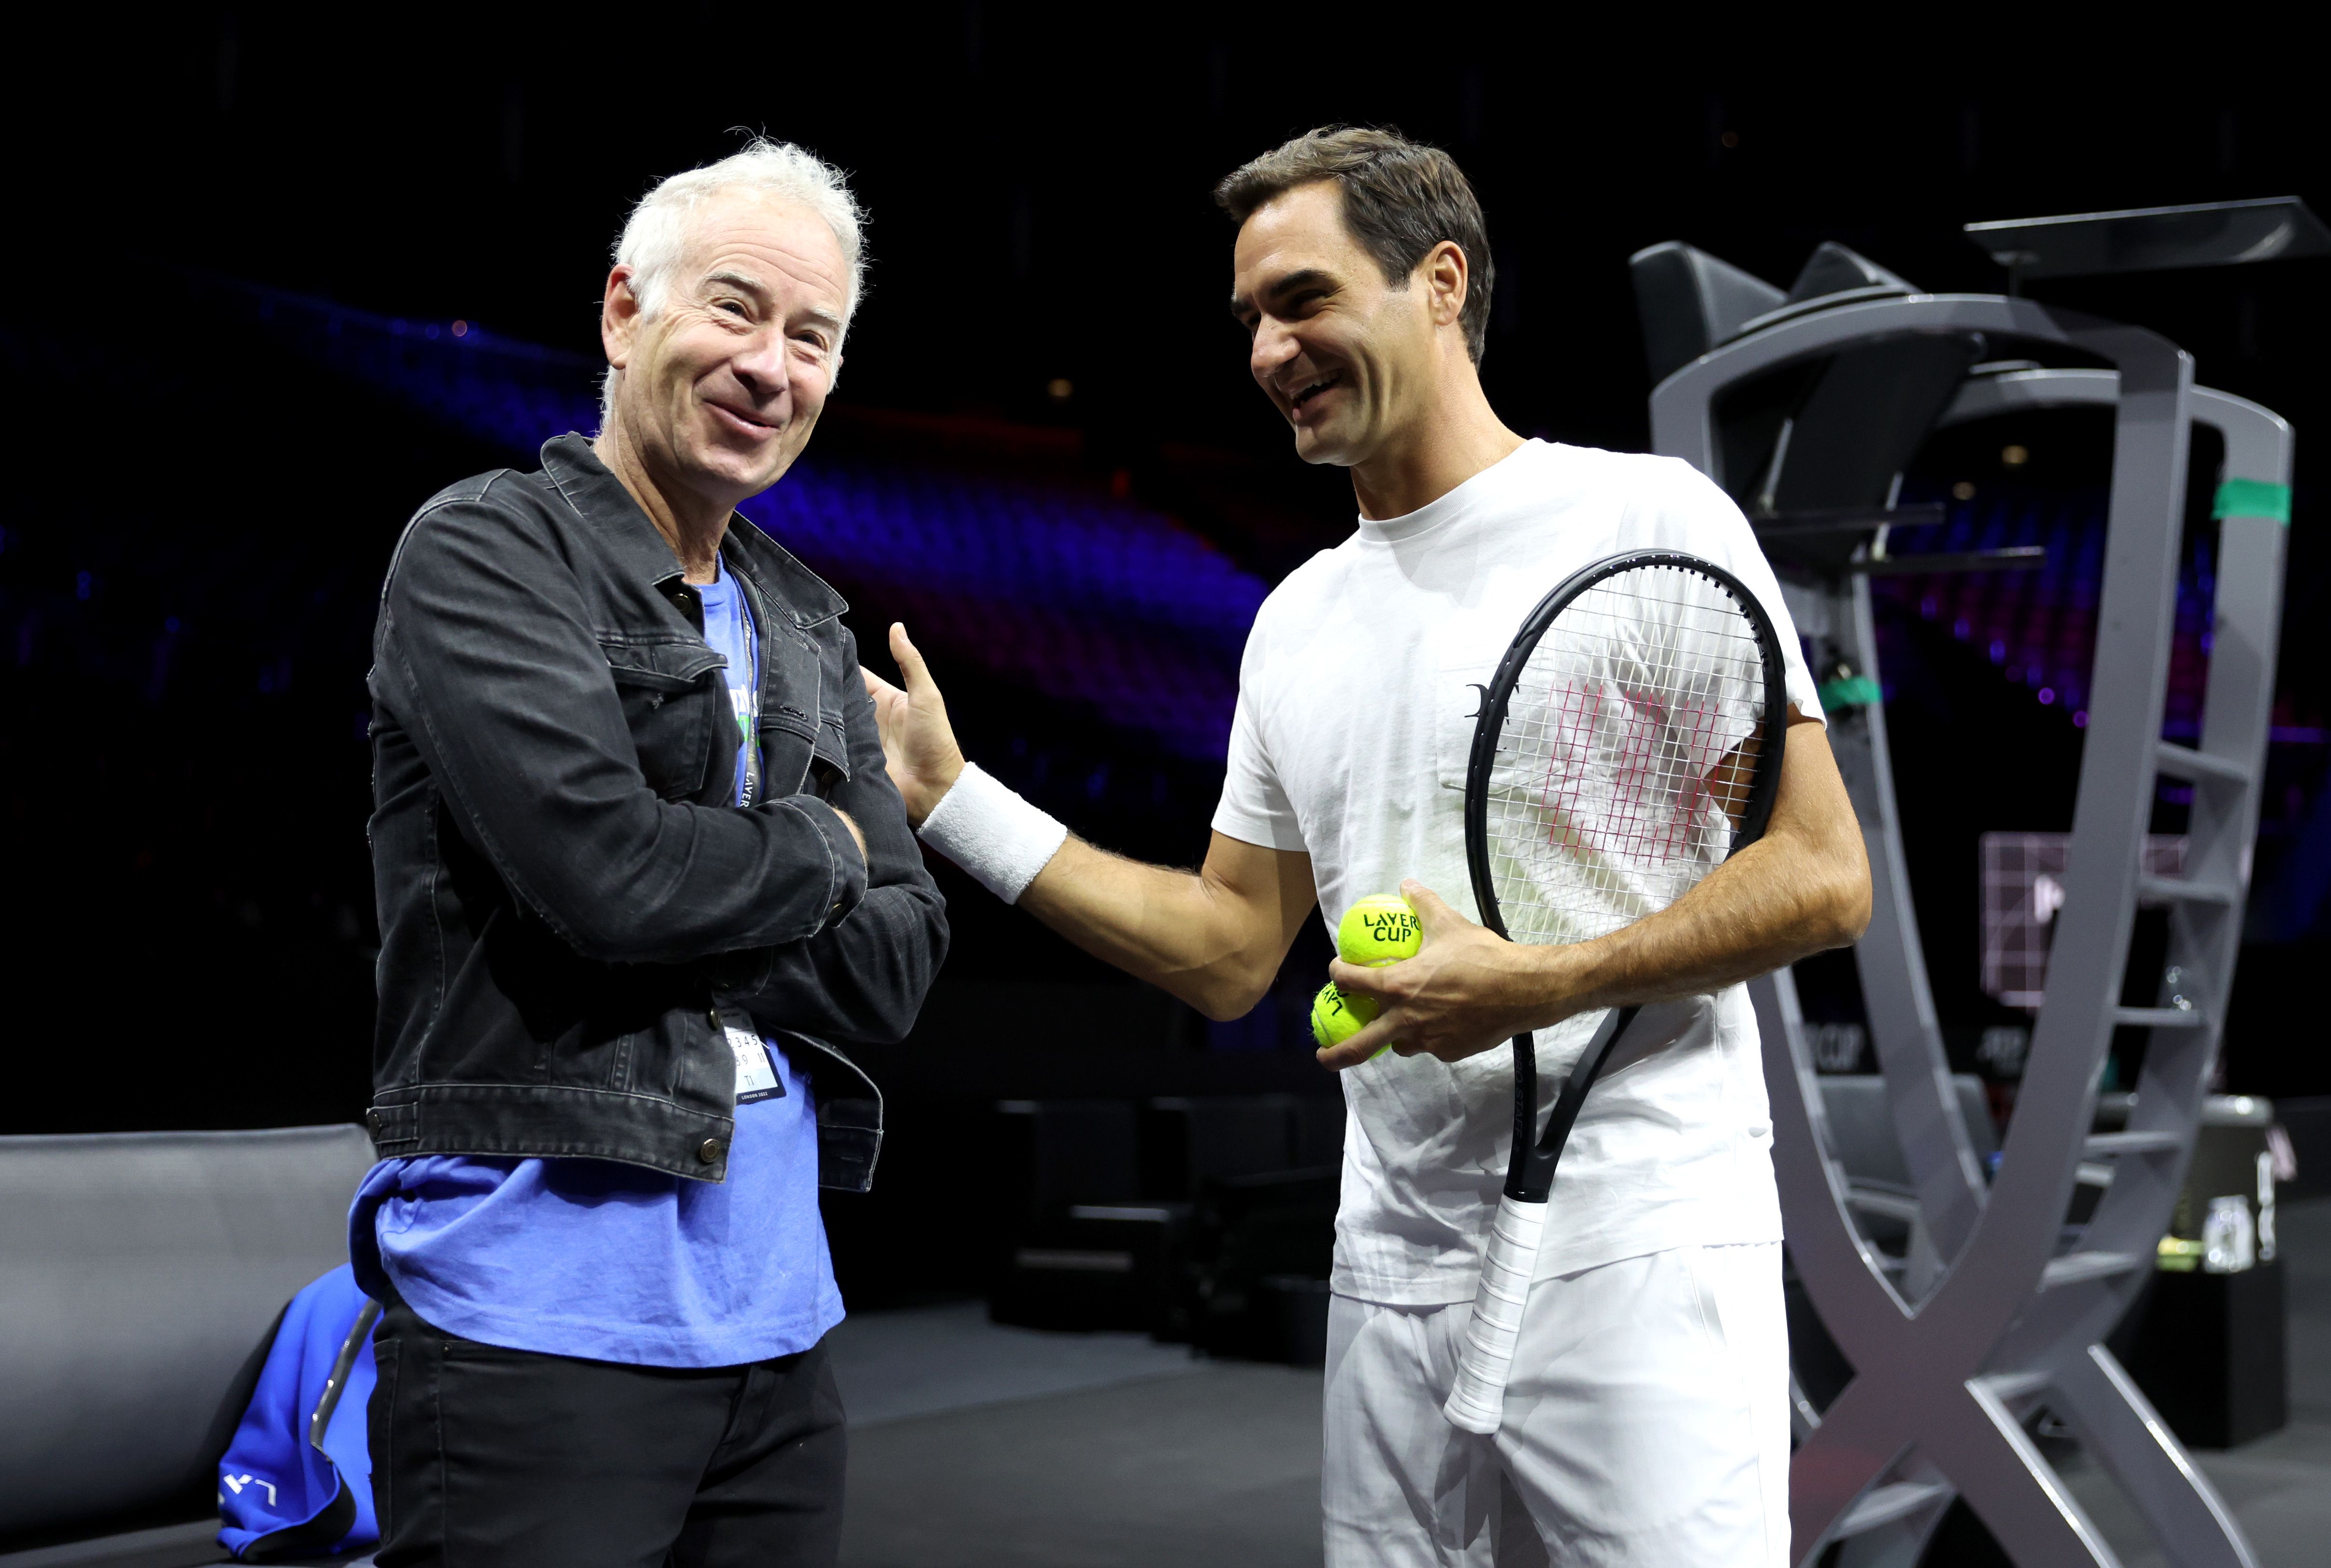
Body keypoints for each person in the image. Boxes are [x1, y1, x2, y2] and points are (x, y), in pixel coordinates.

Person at [867, 127, 1869, 1566]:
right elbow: (1226, 955)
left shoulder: (1645, 519)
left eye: (1304, 299)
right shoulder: (1295, 623)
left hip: (1640, 1248)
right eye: (1252, 321)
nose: (1272, 349)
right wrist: (956, 803)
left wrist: (1533, 982)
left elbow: (1825, 874)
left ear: (1442, 281)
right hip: (1392, 1265)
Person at [351, 135, 947, 1568]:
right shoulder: (487, 550)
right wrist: (822, 837)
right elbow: (606, 879)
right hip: (525, 1324)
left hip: (782, 1335)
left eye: (814, 338)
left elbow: (902, 965)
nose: (772, 366)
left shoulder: (809, 619)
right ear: (625, 312)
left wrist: (718, 875)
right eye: (736, 309)